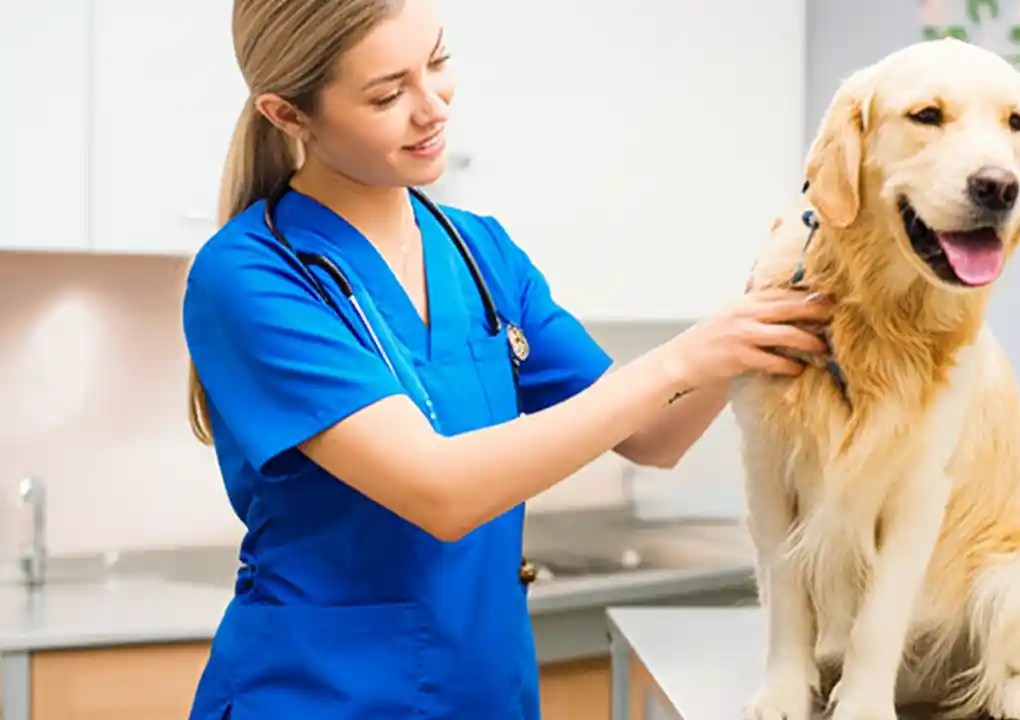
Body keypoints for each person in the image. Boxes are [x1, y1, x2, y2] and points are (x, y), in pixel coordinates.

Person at [180, 0, 833, 717]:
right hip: (317, 696)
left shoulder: (479, 253)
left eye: (436, 61)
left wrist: (755, 313)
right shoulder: (251, 276)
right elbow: (442, 493)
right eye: (388, 94)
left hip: (487, 692)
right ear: (288, 114)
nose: (433, 107)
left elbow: (654, 435)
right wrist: (684, 359)